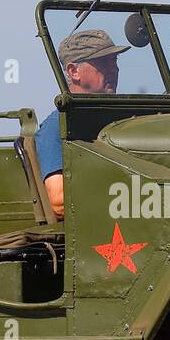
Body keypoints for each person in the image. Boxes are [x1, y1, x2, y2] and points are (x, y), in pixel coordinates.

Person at [35, 29, 129, 219]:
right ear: (73, 71)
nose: (114, 69)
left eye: (114, 61)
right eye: (103, 62)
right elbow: (59, 201)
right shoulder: (58, 126)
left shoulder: (120, 118)